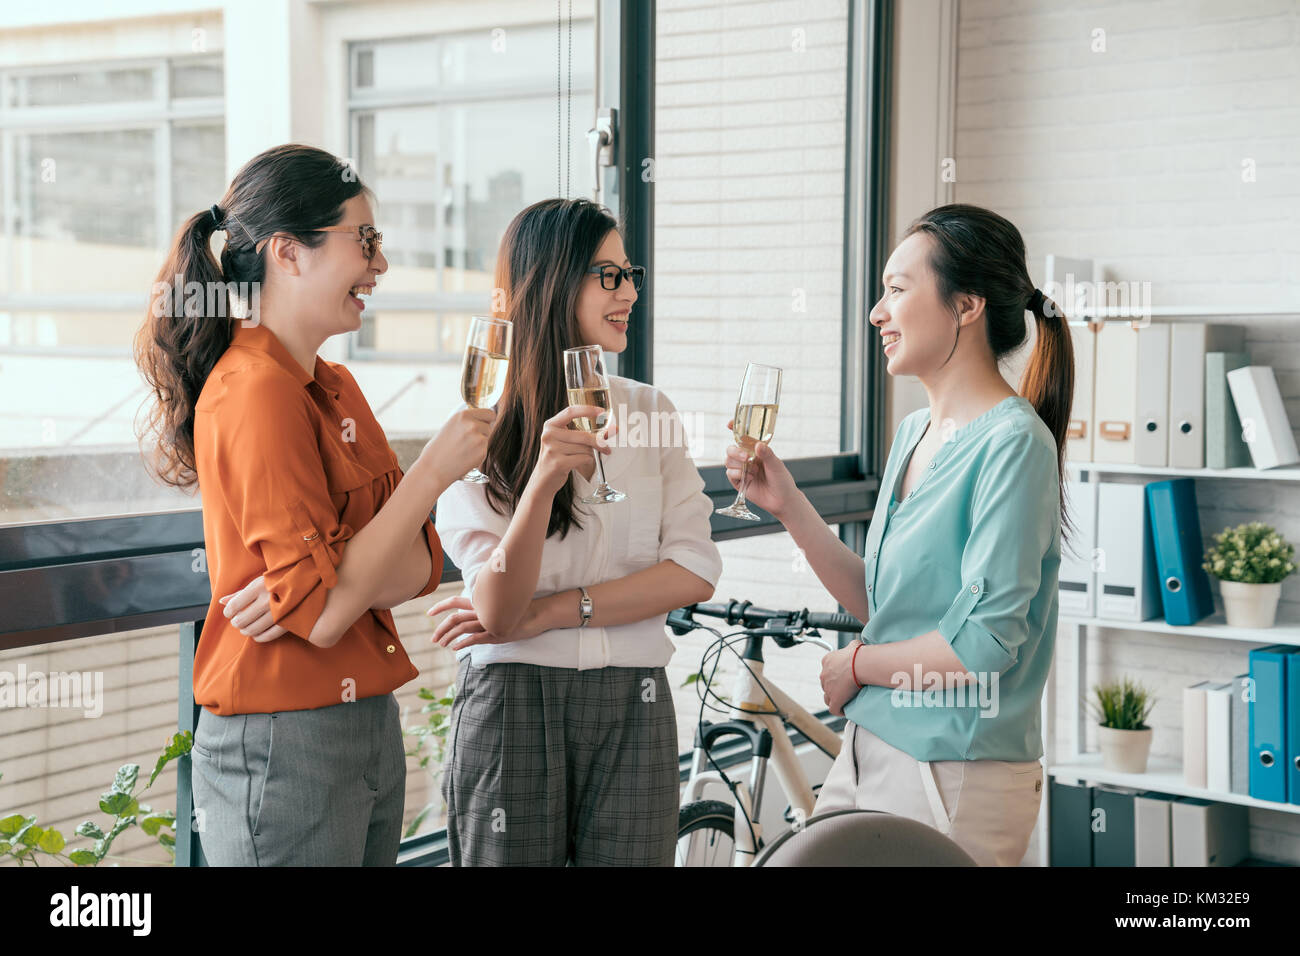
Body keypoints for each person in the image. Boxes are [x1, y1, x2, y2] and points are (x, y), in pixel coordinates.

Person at [134, 143, 491, 865]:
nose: (380, 265)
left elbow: (422, 562)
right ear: (288, 253)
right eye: (364, 242)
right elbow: (326, 616)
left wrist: (334, 573)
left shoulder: (335, 386)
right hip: (281, 741)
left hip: (363, 727)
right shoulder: (254, 393)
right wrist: (431, 475)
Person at [724, 203, 1074, 866]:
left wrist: (857, 664)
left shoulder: (1014, 443)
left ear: (966, 306)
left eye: (897, 289)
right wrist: (791, 507)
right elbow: (881, 609)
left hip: (953, 765)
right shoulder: (914, 432)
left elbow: (983, 645)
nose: (876, 313)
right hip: (867, 747)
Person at [428, 197, 723, 866]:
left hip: (634, 700)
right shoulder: (481, 428)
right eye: (608, 275)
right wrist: (541, 484)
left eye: (631, 274)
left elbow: (695, 571)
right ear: (554, 282)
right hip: (512, 704)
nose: (629, 292)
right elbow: (498, 615)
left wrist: (553, 613)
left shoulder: (649, 410)